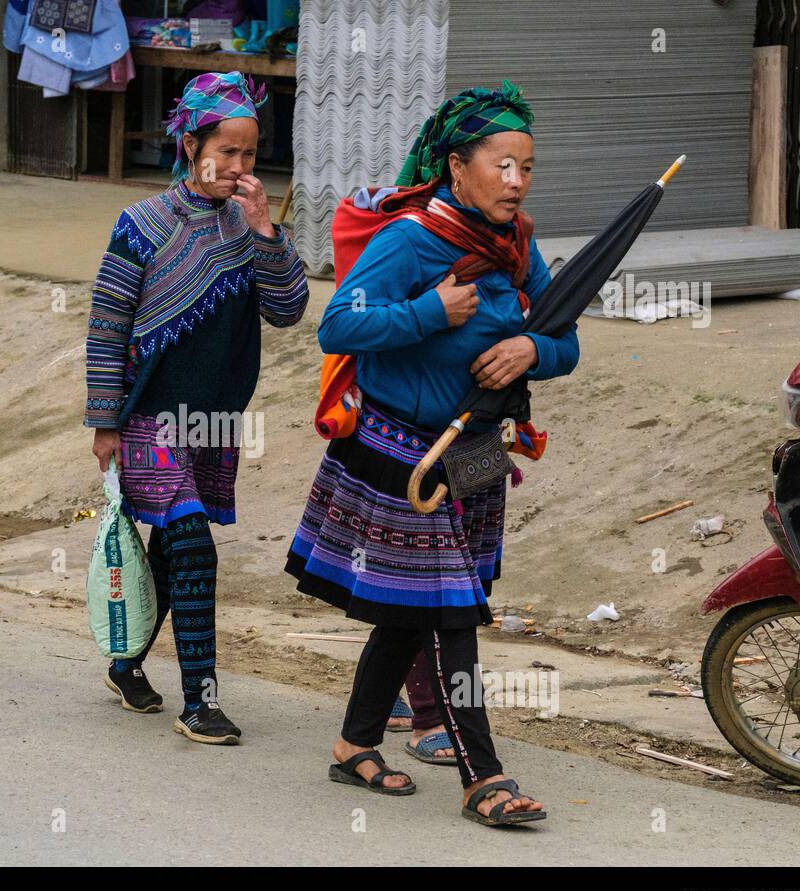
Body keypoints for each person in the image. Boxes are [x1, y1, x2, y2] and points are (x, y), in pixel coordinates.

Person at [286, 81, 575, 825]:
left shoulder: (518, 244)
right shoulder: (409, 241)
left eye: (527, 167)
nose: (516, 181)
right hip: (402, 453)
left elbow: (567, 341)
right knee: (450, 610)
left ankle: (354, 744)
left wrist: (528, 349)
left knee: (416, 611)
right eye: (503, 165)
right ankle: (485, 778)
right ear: (457, 167)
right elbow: (338, 329)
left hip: (476, 451)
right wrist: (428, 311)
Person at [85, 71, 309, 744]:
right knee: (193, 548)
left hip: (210, 423)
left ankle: (126, 664)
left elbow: (288, 310)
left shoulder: (252, 228)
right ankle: (200, 702)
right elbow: (106, 324)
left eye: (250, 154)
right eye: (227, 153)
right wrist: (103, 420)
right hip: (149, 418)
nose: (240, 168)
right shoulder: (142, 225)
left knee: (167, 553)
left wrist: (268, 231)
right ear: (189, 145)